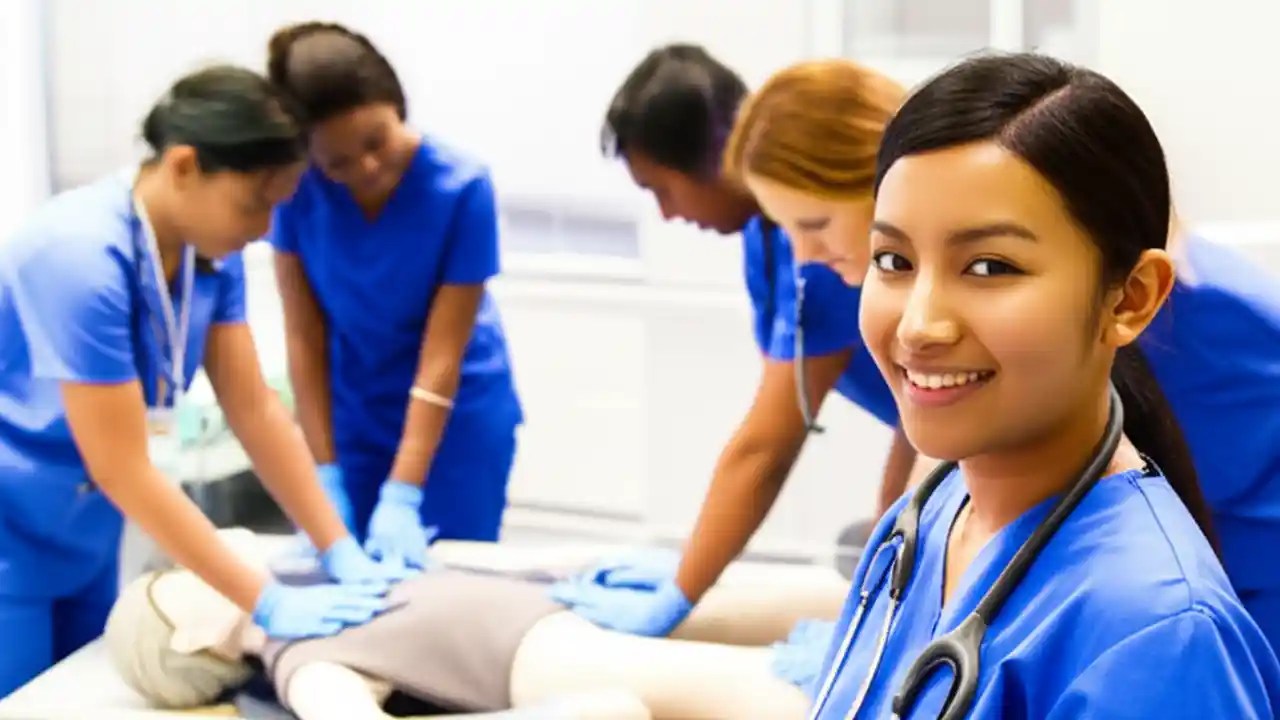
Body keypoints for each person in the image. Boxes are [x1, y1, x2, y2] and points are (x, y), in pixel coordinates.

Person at [733, 58, 1280, 656]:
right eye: (892, 259)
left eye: (989, 267)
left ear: (1131, 298)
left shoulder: (1159, 626)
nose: (920, 327)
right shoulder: (954, 496)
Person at [0, 65, 411, 698]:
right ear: (185, 165)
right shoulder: (77, 254)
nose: (265, 227)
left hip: (83, 529)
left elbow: (255, 409)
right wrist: (263, 599)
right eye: (255, 202)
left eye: (279, 206)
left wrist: (337, 544)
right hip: (11, 525)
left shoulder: (209, 256)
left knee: (78, 697)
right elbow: (122, 465)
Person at [550, 44, 914, 639]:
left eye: (661, 189)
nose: (665, 215)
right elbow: (918, 417)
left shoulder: (834, 253)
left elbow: (765, 447)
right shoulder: (778, 241)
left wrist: (679, 594)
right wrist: (889, 570)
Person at [102, 528, 851, 719]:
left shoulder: (337, 580)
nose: (211, 559)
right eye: (178, 581)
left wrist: (595, 564)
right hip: (536, 653)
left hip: (570, 598)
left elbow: (482, 574)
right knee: (793, 690)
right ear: (190, 642)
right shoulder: (303, 656)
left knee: (824, 592)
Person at [265, 22, 523, 567]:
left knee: (451, 588)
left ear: (397, 105)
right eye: (337, 162)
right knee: (346, 579)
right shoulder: (295, 193)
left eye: (376, 141)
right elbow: (304, 337)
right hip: (352, 414)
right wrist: (323, 471)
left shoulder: (462, 187)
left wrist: (403, 491)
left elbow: (442, 356)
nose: (367, 169)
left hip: (457, 417)